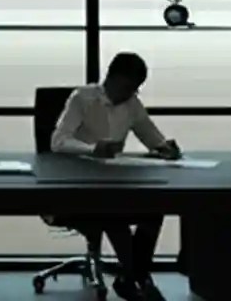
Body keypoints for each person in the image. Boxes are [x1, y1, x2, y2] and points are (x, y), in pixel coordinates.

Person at [49, 51, 180, 301]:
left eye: (136, 89)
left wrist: (164, 147)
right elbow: (58, 141)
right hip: (78, 184)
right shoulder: (82, 98)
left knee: (154, 211)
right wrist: (92, 150)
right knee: (114, 212)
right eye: (129, 87)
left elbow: (150, 135)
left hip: (114, 181)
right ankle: (135, 279)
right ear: (113, 79)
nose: (131, 93)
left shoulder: (131, 104)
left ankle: (131, 276)